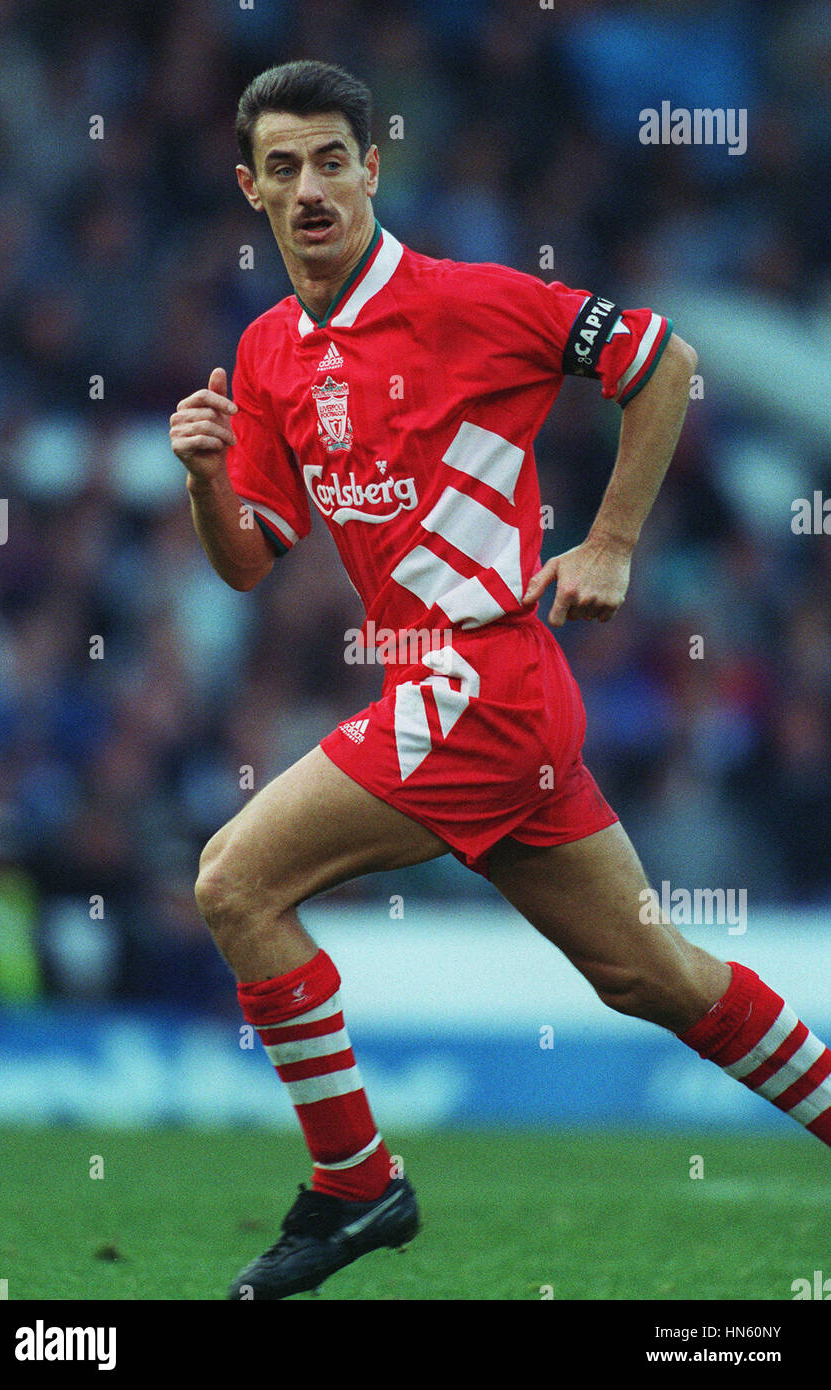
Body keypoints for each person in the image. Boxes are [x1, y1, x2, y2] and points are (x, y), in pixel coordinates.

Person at [169, 60, 831, 1301]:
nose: (309, 187)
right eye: (284, 167)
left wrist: (614, 539)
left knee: (233, 879)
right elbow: (250, 562)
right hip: (467, 699)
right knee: (653, 977)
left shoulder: (468, 300)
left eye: (331, 160)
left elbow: (661, 359)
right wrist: (207, 479)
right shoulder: (267, 354)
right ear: (249, 185)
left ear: (373, 169)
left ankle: (356, 1185)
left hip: (477, 682)